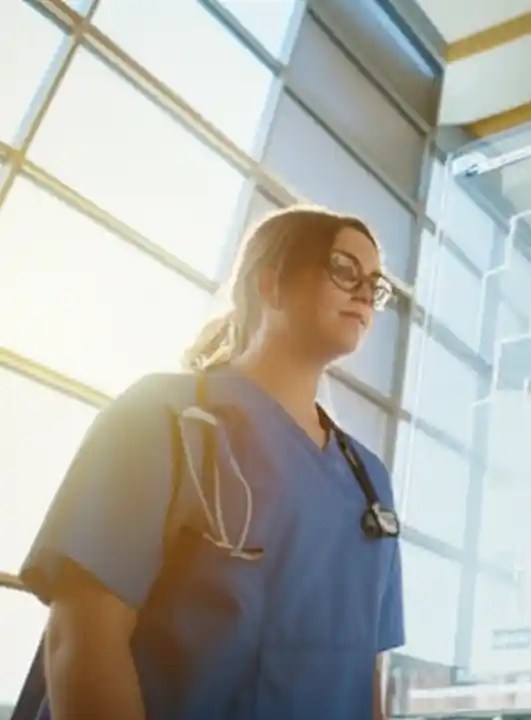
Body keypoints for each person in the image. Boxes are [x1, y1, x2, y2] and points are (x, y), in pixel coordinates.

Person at [19, 206, 406, 719]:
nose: (364, 293)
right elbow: (82, 637)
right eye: (343, 269)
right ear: (270, 284)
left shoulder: (369, 482)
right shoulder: (164, 418)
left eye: (374, 284)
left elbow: (365, 674)